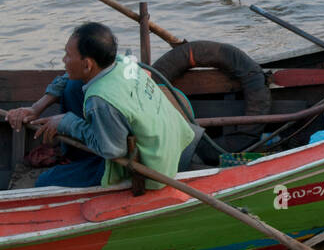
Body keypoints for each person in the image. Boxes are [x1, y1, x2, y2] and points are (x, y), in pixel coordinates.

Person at [11, 22, 201, 190]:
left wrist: (67, 122)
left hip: (148, 163)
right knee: (72, 86)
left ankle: (90, 168)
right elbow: (66, 78)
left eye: (68, 56)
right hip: (172, 136)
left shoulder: (101, 102)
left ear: (87, 65)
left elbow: (113, 150)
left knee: (44, 183)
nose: (64, 60)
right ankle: (81, 160)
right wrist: (36, 108)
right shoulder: (119, 62)